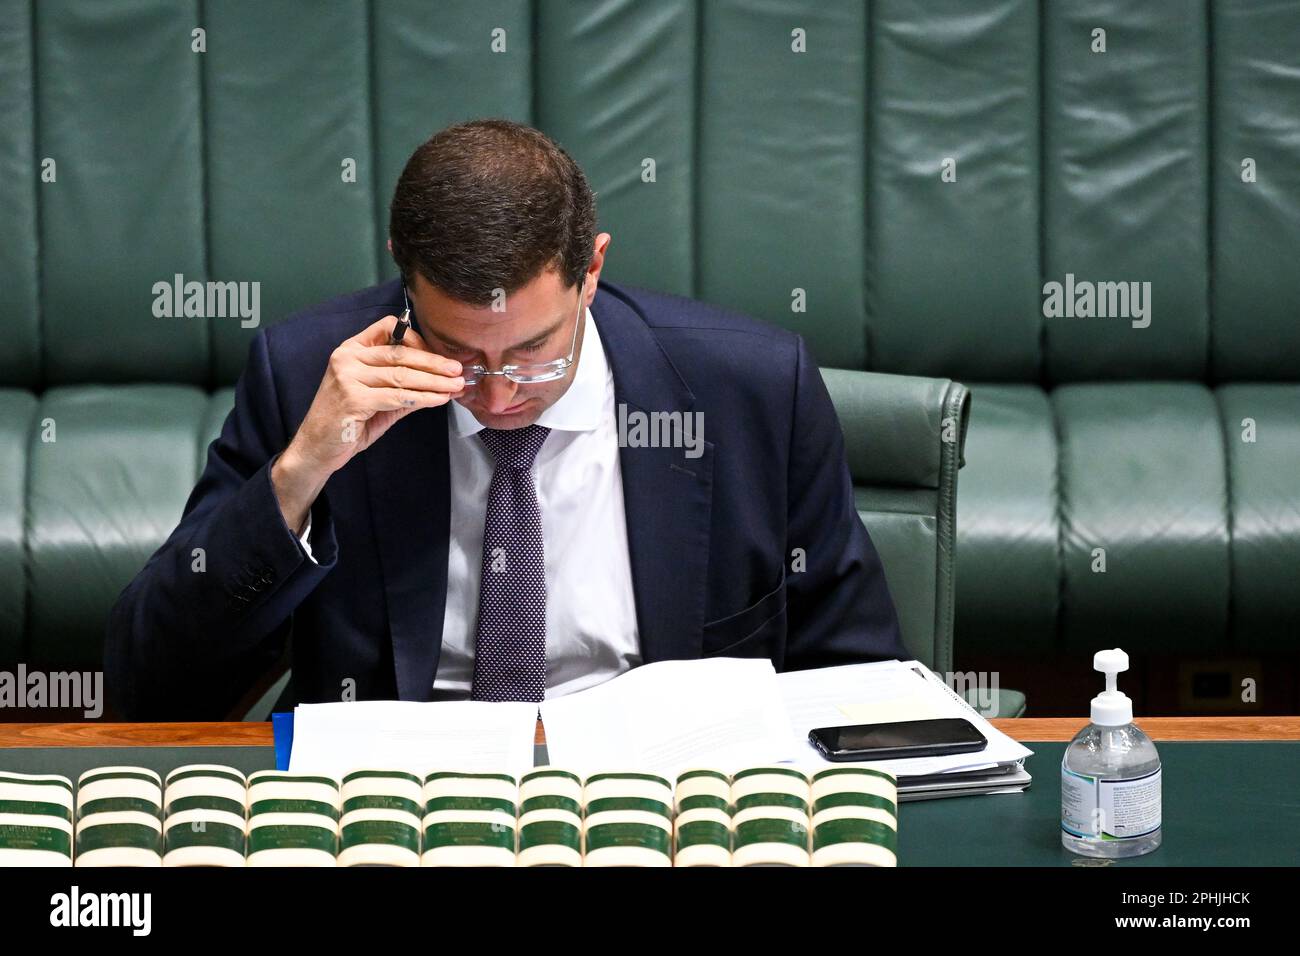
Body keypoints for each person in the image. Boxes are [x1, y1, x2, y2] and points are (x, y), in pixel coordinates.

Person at [105, 119, 905, 719]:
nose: (496, 397)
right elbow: (151, 689)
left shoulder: (752, 392)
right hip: (403, 811)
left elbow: (862, 683)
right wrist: (299, 474)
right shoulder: (307, 376)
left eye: (534, 354)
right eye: (456, 353)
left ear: (591, 269)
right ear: (403, 273)